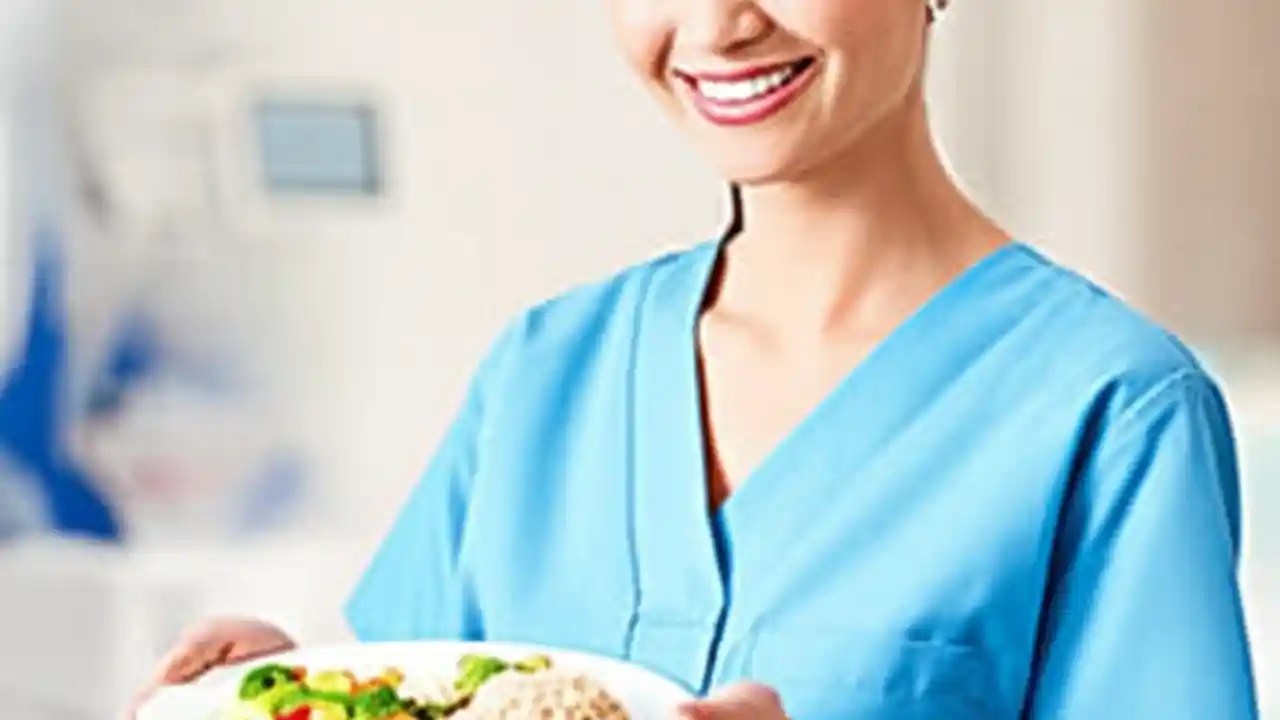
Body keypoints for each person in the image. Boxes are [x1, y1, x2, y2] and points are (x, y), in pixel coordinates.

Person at [133, 0, 1259, 717]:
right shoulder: (544, 372)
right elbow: (421, 691)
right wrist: (286, 689)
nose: (718, 25)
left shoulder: (1107, 406)